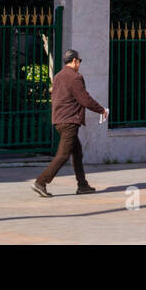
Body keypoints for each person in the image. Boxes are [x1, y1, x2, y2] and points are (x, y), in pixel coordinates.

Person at [32, 49, 107, 197]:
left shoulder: (59, 76)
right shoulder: (75, 77)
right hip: (70, 121)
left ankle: (83, 185)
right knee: (63, 155)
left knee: (77, 153)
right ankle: (41, 182)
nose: (79, 63)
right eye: (79, 60)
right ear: (74, 61)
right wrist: (101, 110)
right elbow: (84, 99)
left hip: (59, 120)